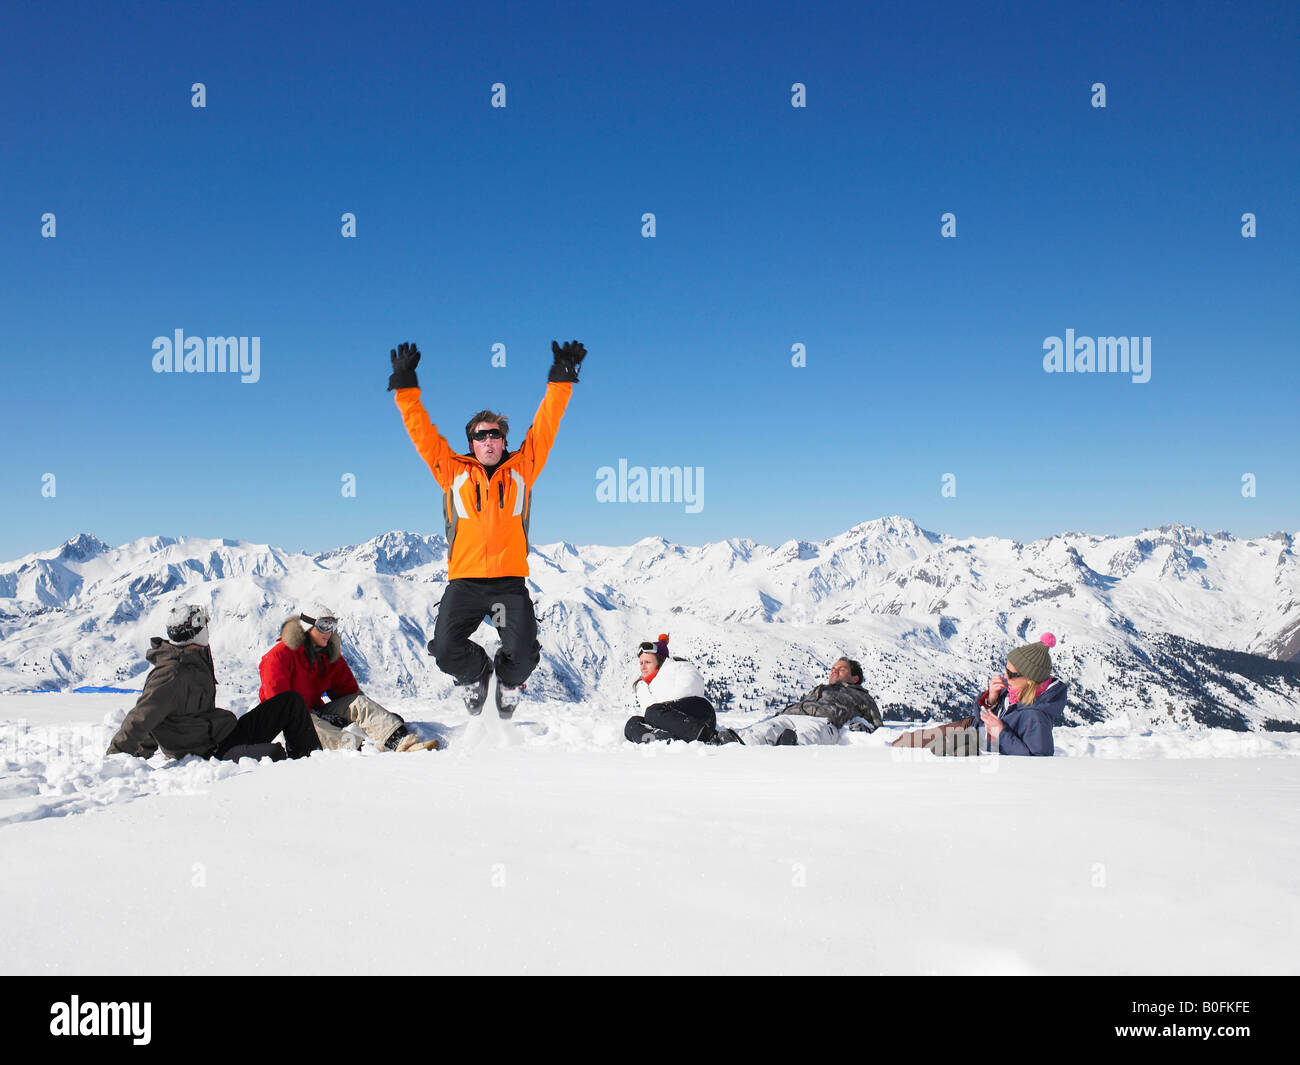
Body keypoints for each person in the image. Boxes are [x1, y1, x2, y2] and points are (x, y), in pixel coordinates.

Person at [389, 338, 586, 719]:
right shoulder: (452, 471)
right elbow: (422, 433)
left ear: (504, 441)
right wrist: (404, 384)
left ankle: (509, 683)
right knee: (445, 650)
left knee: (525, 655)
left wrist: (562, 377)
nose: (488, 440)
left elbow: (547, 425)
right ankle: (477, 674)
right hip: (464, 584)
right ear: (471, 444)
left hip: (507, 586)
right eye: (480, 435)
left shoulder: (523, 469)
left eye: (494, 434)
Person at [106, 605, 321, 762]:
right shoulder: (171, 674)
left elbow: (160, 715)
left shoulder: (195, 659)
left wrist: (145, 750)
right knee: (274, 755)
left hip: (226, 734)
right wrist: (116, 762)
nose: (208, 629)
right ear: (197, 632)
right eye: (205, 625)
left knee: (290, 702)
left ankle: (310, 762)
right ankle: (305, 770)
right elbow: (143, 717)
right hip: (212, 752)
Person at [258, 605, 438, 752]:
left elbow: (348, 693)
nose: (329, 632)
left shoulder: (327, 655)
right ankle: (361, 750)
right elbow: (279, 704)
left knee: (358, 703)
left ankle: (401, 742)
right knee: (309, 722)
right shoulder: (279, 656)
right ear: (307, 628)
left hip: (315, 711)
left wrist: (378, 717)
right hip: (282, 720)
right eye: (323, 626)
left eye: (332, 626)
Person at [891, 633, 1067, 756]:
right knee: (907, 742)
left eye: (1012, 675)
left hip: (977, 739)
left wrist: (1001, 732)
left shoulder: (1035, 716)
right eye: (1006, 670)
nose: (1006, 677)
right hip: (972, 728)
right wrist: (991, 699)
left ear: (1030, 679)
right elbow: (981, 716)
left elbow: (1038, 760)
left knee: (915, 746)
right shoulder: (1015, 692)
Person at [721, 657, 882, 746]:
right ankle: (733, 745)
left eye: (841, 669)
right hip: (793, 715)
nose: (834, 671)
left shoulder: (861, 695)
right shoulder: (821, 688)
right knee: (764, 730)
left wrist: (864, 728)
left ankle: (791, 750)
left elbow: (878, 726)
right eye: (833, 668)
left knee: (808, 737)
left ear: (855, 678)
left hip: (824, 721)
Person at [624, 634, 720, 743]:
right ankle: (662, 739)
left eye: (648, 662)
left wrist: (663, 709)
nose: (643, 667)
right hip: (672, 723)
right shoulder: (643, 686)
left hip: (699, 712)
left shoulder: (678, 667)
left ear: (660, 661)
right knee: (632, 724)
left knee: (653, 712)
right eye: (641, 663)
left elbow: (693, 686)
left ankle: (710, 737)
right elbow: (650, 715)